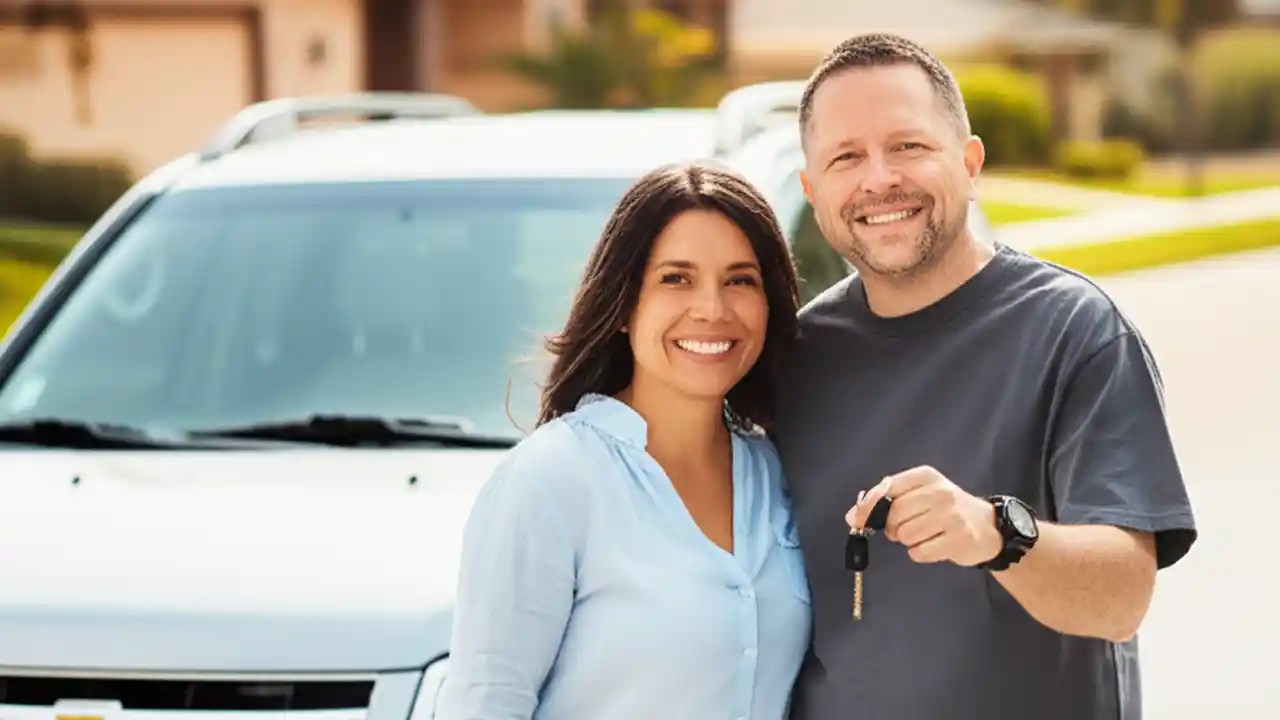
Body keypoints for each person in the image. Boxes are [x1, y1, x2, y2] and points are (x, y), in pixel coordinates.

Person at [772, 33, 1198, 719]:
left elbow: (1124, 597)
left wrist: (999, 531)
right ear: (814, 190)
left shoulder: (1076, 333)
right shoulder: (791, 359)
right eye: (846, 157)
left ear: (970, 164)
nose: (879, 178)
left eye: (908, 146)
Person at [435, 161, 811, 719]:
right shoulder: (550, 480)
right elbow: (485, 705)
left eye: (740, 280)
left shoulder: (776, 470)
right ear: (623, 307)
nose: (712, 309)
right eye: (676, 279)